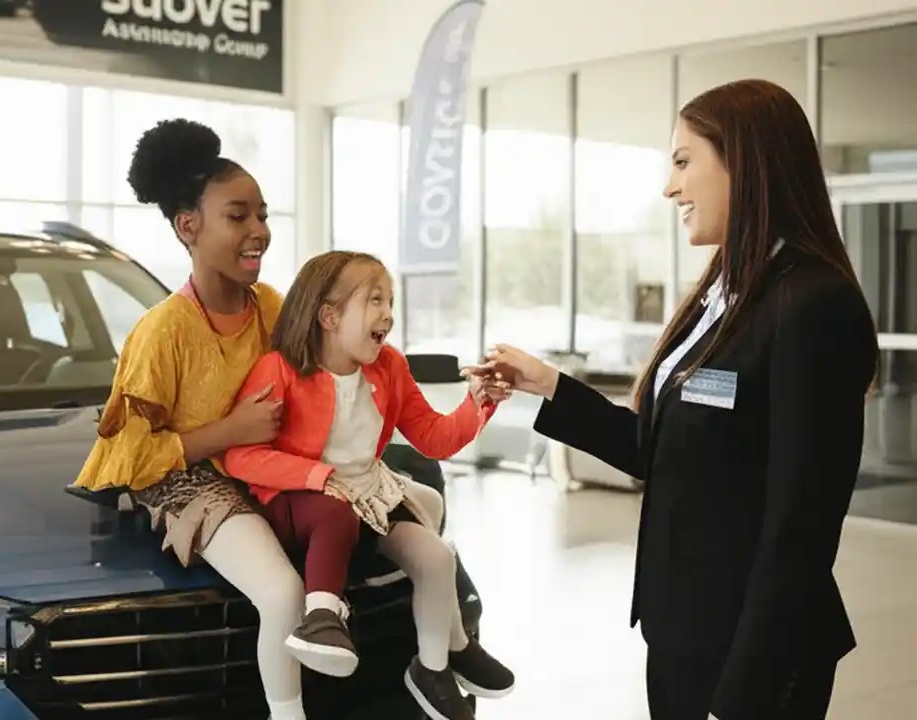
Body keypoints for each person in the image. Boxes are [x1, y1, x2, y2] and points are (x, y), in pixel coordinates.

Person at [474, 79, 879, 720]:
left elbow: (799, 527)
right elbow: (658, 450)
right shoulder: (725, 293)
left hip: (755, 656)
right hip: (682, 631)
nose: (671, 188)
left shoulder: (812, 303)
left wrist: (741, 697)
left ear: (745, 162)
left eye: (684, 161)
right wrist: (548, 384)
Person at [72, 118, 308, 720]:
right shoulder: (161, 332)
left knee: (417, 506)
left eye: (263, 215)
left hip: (264, 464)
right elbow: (133, 461)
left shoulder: (272, 306)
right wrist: (230, 433)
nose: (259, 231)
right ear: (188, 226)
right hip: (188, 480)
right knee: (283, 592)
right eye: (238, 216)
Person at [224, 251, 516, 720]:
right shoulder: (279, 370)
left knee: (437, 557)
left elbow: (434, 437)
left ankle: (433, 671)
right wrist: (316, 476)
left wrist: (477, 402)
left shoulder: (389, 367)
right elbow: (241, 456)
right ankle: (322, 616)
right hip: (300, 500)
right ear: (329, 316)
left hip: (367, 493)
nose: (388, 314)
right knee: (335, 514)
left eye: (390, 301)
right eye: (375, 300)